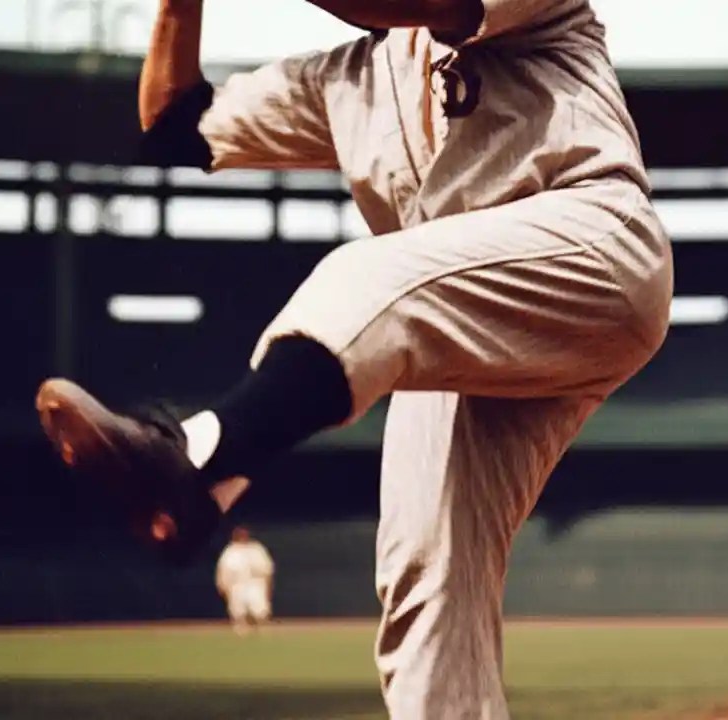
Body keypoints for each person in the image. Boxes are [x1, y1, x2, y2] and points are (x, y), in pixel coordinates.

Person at [36, 0, 672, 715]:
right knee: (426, 584)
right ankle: (196, 477)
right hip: (454, 328)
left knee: (363, 276)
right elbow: (172, 129)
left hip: (588, 251)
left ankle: (194, 459)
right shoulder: (346, 80)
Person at [215, 526, 275, 635]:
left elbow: (267, 570)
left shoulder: (256, 549)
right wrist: (222, 585)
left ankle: (263, 640)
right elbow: (222, 571)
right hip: (236, 586)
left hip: (255, 585)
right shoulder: (230, 551)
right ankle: (241, 640)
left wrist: (268, 587)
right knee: (239, 616)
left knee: (260, 614)